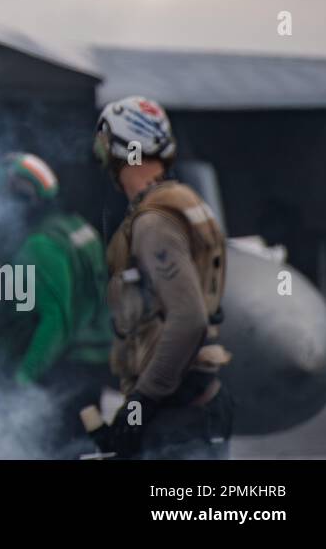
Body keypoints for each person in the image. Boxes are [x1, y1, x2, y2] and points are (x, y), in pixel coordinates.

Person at [91, 97, 232, 459]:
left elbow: (188, 319)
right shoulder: (185, 201)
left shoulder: (154, 221)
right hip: (197, 404)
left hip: (176, 416)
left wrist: (139, 406)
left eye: (108, 145)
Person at [0, 153, 111, 458]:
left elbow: (57, 321)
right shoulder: (77, 227)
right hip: (88, 368)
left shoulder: (41, 246)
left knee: (40, 446)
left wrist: (25, 377)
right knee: (86, 441)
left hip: (56, 372)